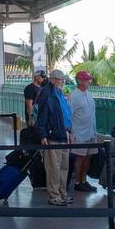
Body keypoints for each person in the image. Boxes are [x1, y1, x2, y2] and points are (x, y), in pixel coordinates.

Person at [35, 69, 73, 206]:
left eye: (62, 79)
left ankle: (62, 192)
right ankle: (54, 195)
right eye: (59, 79)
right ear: (52, 79)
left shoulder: (60, 94)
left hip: (63, 133)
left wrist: (69, 131)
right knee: (53, 167)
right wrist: (43, 134)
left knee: (64, 166)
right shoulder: (47, 93)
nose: (62, 81)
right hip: (53, 134)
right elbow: (42, 114)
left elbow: (65, 113)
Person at [68, 70, 99, 192]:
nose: (89, 82)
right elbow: (69, 115)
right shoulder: (73, 96)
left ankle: (84, 180)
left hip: (91, 132)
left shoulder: (88, 94)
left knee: (88, 157)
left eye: (89, 79)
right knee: (80, 157)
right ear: (79, 81)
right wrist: (71, 133)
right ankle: (77, 182)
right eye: (86, 80)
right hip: (79, 133)